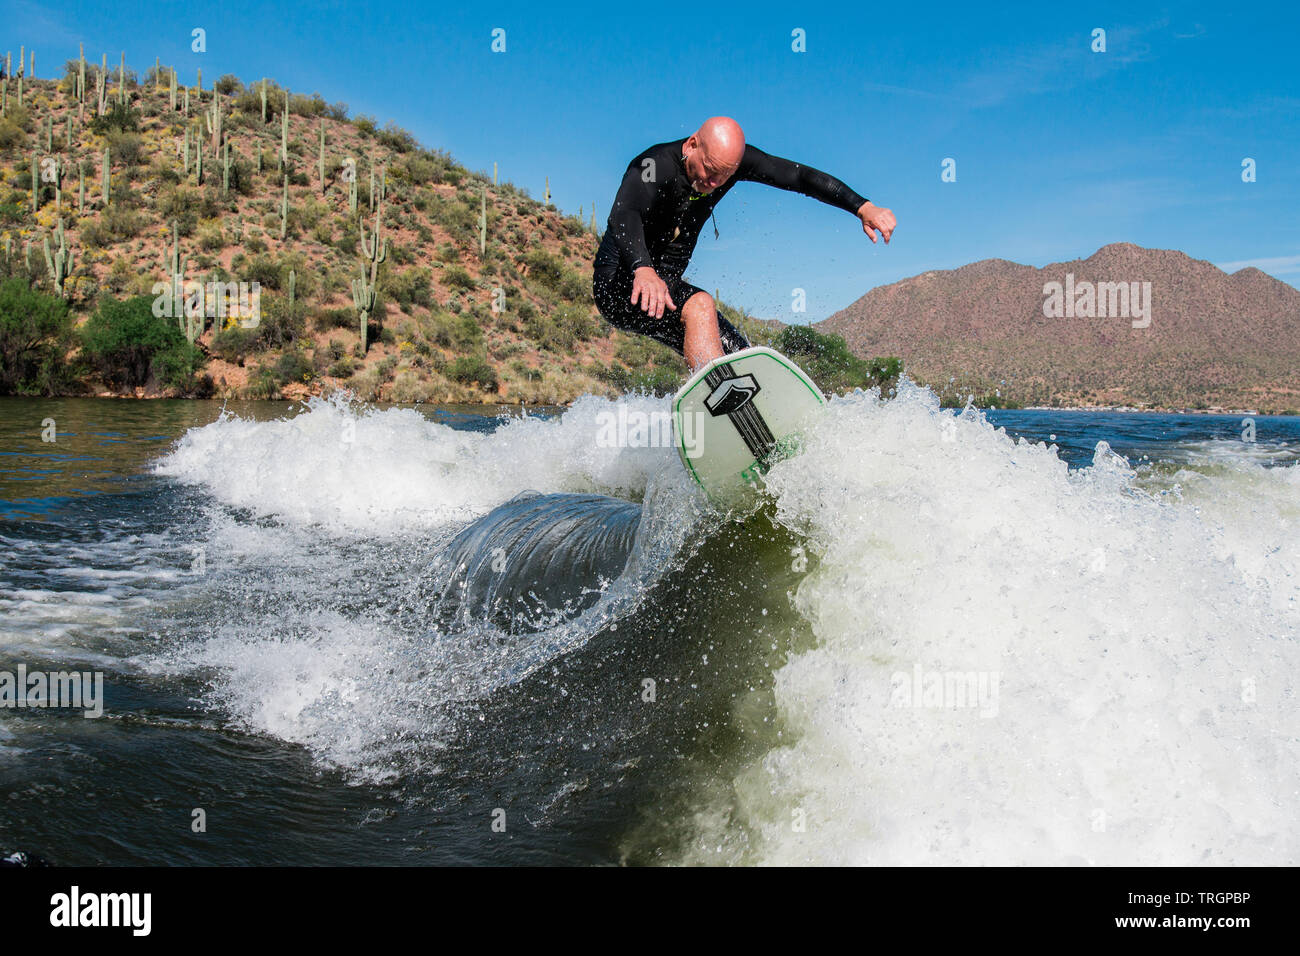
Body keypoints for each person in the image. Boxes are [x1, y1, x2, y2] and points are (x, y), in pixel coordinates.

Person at [592, 116, 896, 372]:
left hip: (665, 293)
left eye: (725, 175)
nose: (714, 183)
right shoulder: (652, 164)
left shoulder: (729, 165)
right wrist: (642, 269)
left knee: (740, 358)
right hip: (619, 283)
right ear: (692, 144)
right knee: (700, 306)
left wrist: (861, 206)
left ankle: (743, 430)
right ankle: (720, 402)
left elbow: (799, 176)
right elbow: (625, 213)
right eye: (710, 170)